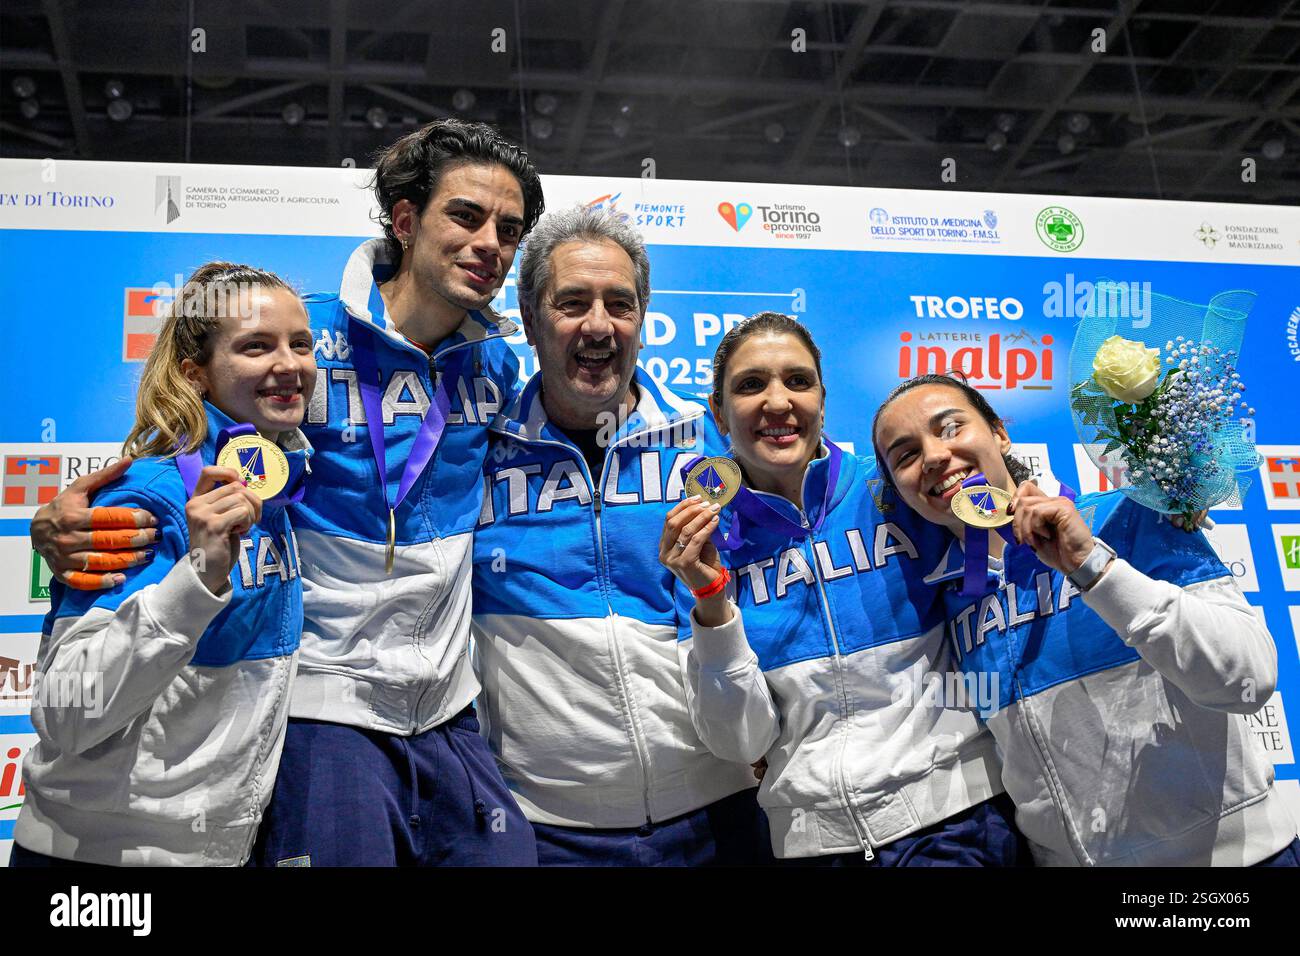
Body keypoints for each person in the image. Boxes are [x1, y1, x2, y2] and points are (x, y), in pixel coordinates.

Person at [29, 119, 544, 866]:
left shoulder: (493, 364)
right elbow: (180, 447)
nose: (490, 242)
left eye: (508, 228)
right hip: (321, 703)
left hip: (446, 707)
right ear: (406, 221)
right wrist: (68, 519)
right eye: (465, 216)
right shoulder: (305, 343)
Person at [870, 372, 1300, 866]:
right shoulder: (946, 600)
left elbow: (1248, 678)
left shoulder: (1127, 518)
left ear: (999, 433)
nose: (934, 456)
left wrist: (1092, 567)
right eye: (904, 455)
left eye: (950, 428)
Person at [659, 313, 1023, 865]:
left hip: (953, 823)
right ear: (718, 413)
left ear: (823, 402)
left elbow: (1008, 539)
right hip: (813, 846)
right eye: (751, 384)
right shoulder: (710, 541)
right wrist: (712, 605)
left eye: (797, 382)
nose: (778, 402)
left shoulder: (898, 492)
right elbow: (741, 744)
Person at [471, 206, 774, 865]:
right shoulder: (476, 452)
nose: (599, 325)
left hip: (717, 814)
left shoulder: (710, 441)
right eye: (573, 302)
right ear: (528, 321)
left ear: (643, 317)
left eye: (620, 303)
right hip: (550, 831)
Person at [11, 263, 313, 866]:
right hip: (97, 863)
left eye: (300, 344)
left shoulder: (276, 482)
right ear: (194, 373)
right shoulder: (145, 495)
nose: (290, 365)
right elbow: (67, 711)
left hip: (219, 851)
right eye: (256, 346)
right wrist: (197, 578)